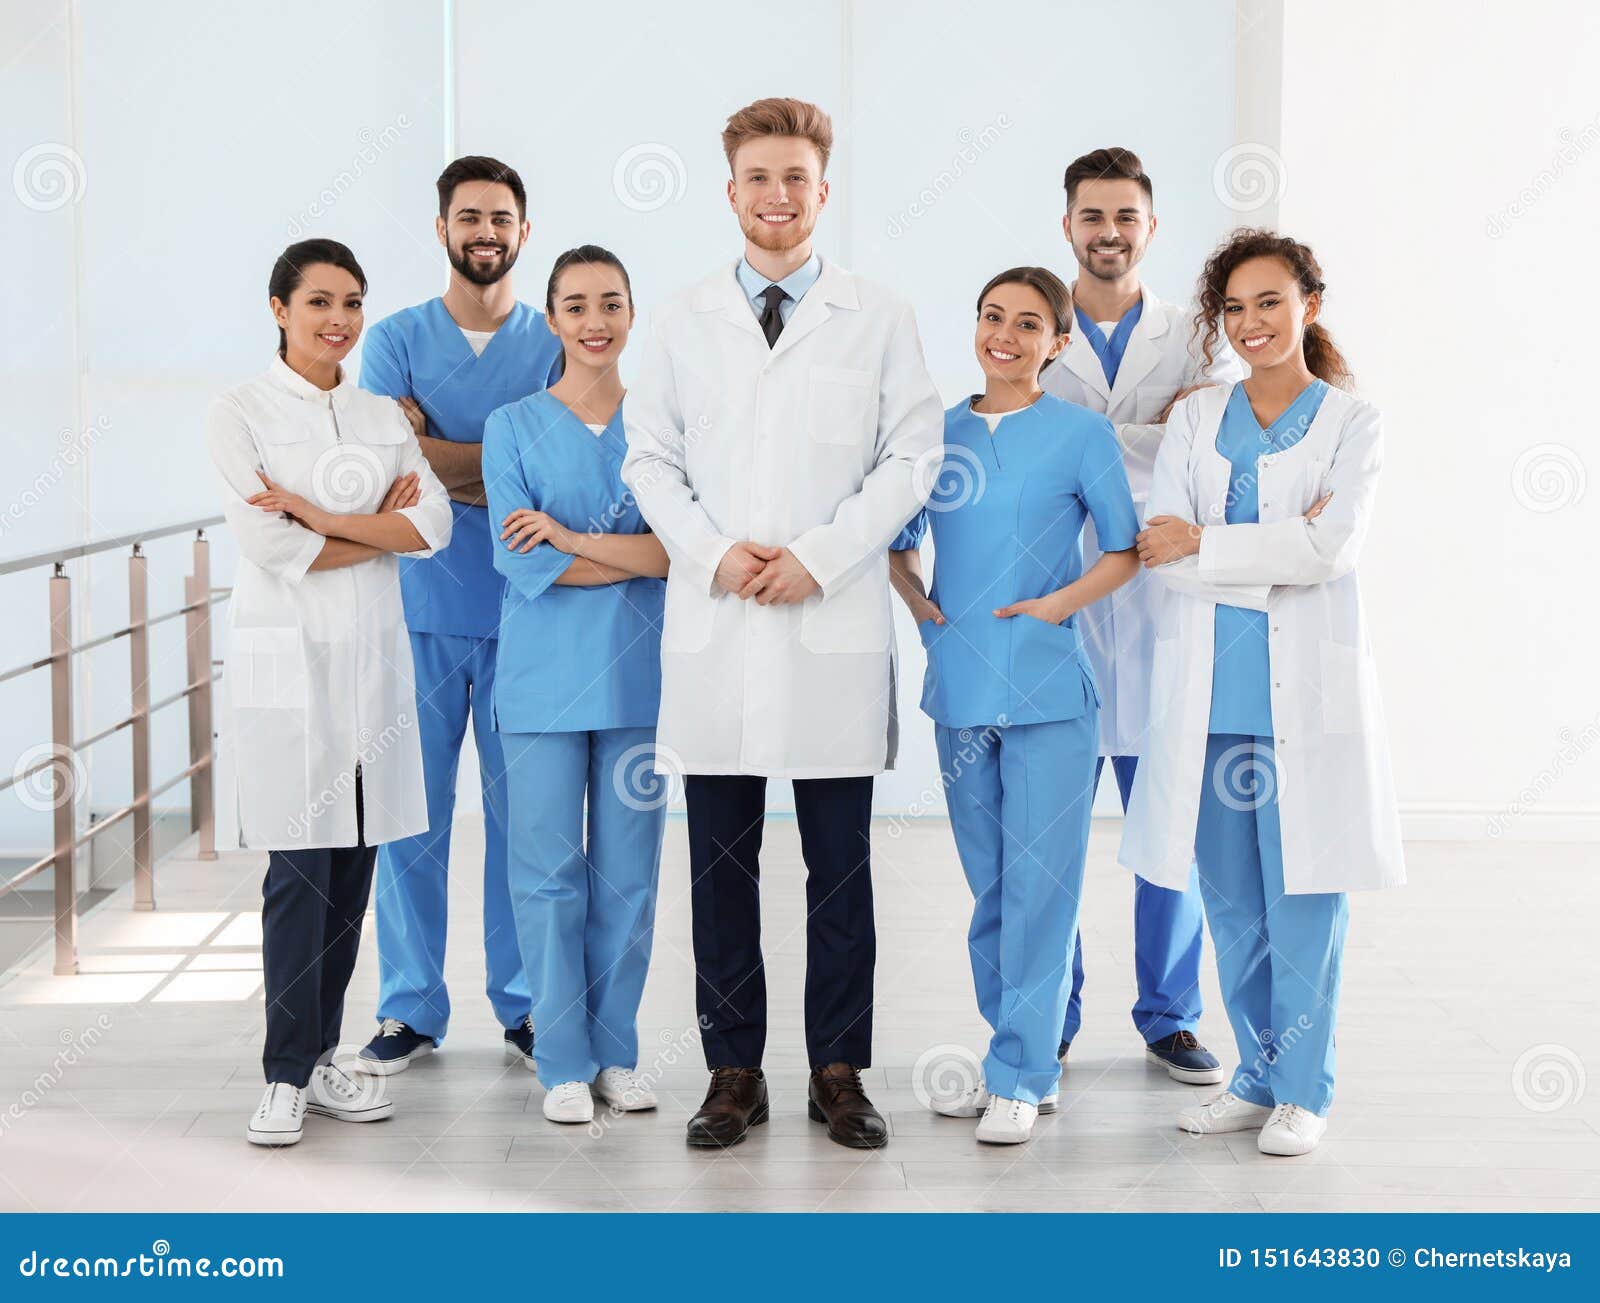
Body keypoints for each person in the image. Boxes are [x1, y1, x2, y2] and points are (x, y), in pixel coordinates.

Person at [622, 97, 942, 1150]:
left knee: (840, 869)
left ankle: (839, 1071)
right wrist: (716, 554)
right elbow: (649, 460)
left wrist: (819, 554)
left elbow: (911, 458)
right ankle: (732, 1072)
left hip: (829, 617)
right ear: (730, 191)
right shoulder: (680, 318)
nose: (777, 196)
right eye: (758, 177)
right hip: (719, 626)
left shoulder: (880, 314)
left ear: (823, 189)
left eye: (795, 177)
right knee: (721, 871)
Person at [1122, 229, 1404, 1157]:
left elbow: (1333, 551)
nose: (1252, 323)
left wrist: (1209, 544)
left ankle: (1304, 1089)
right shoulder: (1199, 417)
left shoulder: (1351, 423)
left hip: (1303, 705)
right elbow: (1161, 551)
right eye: (1235, 308)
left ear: (1308, 305)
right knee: (1234, 901)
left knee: (1304, 898)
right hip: (1208, 700)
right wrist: (1257, 550)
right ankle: (1253, 1075)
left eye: (1270, 303)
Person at [206, 239, 453, 1145]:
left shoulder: (381, 411)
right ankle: (280, 1072)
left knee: (353, 870)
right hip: (291, 669)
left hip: (372, 670)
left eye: (351, 302)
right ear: (279, 308)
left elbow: (430, 526)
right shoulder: (239, 412)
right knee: (299, 871)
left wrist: (317, 514)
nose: (338, 319)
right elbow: (272, 549)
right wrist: (369, 529)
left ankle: (320, 1057)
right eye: (318, 302)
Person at [890, 268, 1139, 1144]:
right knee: (993, 887)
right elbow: (893, 536)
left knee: (1044, 884)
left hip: (1048, 690)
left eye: (1028, 323)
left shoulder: (1081, 436)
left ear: (1058, 342)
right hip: (960, 688)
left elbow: (1124, 550)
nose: (1005, 334)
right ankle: (1016, 1056)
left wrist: (1058, 605)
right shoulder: (936, 435)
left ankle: (1021, 1072)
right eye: (992, 316)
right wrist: (922, 608)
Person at [354, 156, 562, 1075]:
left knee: (527, 819)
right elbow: (384, 469)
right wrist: (496, 463)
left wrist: (440, 455)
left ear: (525, 231)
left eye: (502, 217)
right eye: (469, 215)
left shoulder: (557, 340)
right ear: (441, 229)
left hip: (528, 611)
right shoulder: (394, 338)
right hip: (419, 609)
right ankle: (409, 1007)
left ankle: (522, 1006)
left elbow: (552, 473)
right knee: (412, 816)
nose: (486, 230)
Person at [1039, 147, 1242, 1083]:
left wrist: (1086, 444)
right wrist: (1155, 434)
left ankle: (1169, 1014)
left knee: (1171, 821)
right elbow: (1016, 446)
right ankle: (1050, 1010)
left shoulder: (1204, 340)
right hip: (1062, 606)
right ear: (1069, 224)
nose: (1109, 232)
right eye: (1092, 216)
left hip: (1164, 608)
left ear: (1149, 227)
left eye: (1126, 216)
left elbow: (1219, 452)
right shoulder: (1033, 325)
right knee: (1049, 839)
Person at [482, 246, 669, 1125]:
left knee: (630, 877)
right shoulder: (512, 425)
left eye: (612, 302)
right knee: (547, 873)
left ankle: (617, 1052)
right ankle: (560, 1056)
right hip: (540, 688)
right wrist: (620, 553)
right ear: (552, 319)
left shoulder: (665, 426)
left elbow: (681, 551)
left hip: (644, 683)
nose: (596, 320)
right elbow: (524, 561)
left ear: (632, 313)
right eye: (577, 305)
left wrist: (570, 537)